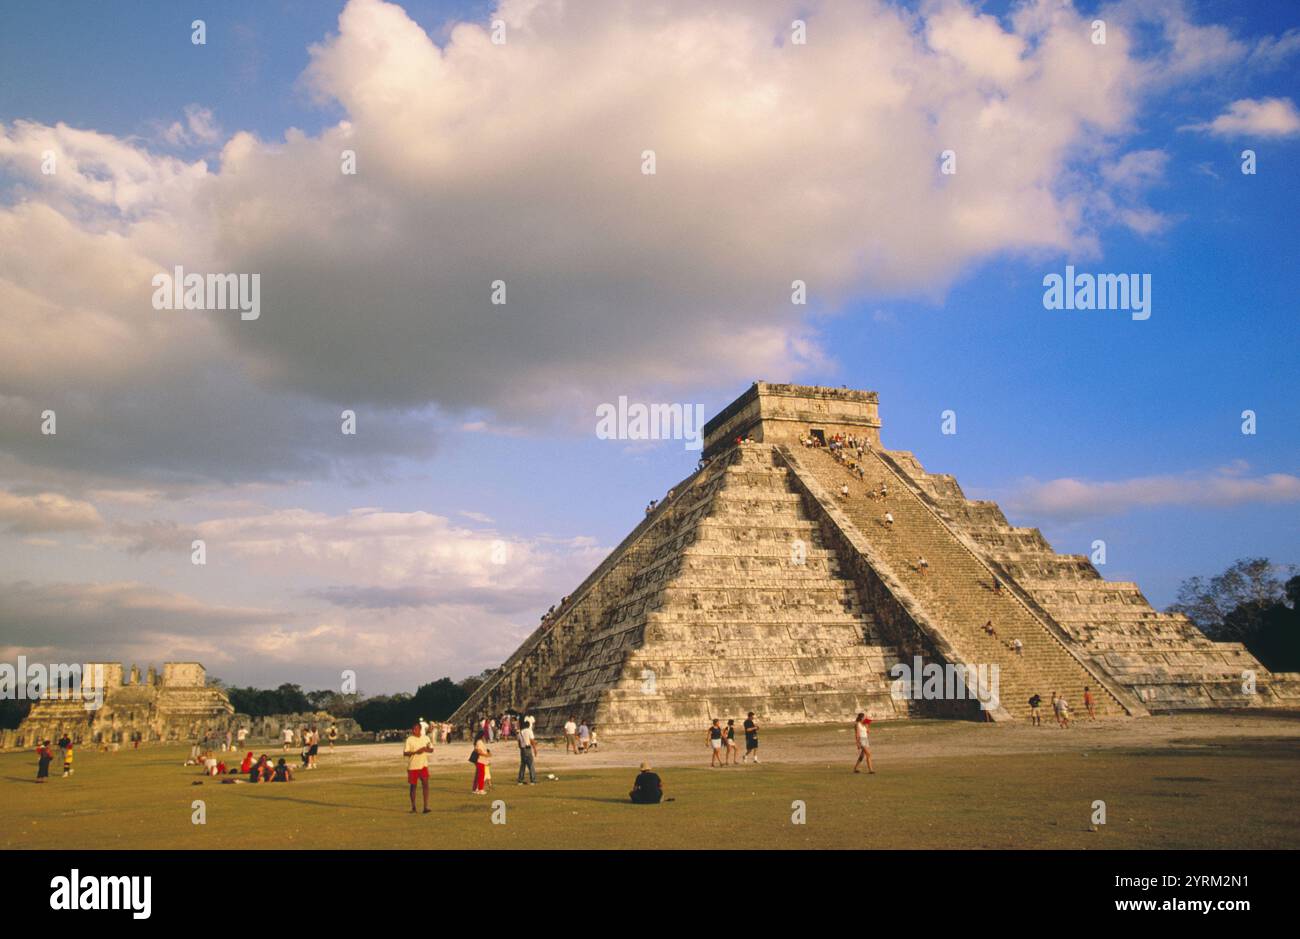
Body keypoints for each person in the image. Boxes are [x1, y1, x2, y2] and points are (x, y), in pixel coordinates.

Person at [404, 721, 432, 814]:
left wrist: (425, 749)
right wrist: (416, 752)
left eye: (416, 729)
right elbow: (405, 752)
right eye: (413, 729)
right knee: (413, 786)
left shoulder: (426, 738)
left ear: (420, 729)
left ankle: (426, 807)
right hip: (413, 766)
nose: (414, 731)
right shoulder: (409, 739)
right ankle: (413, 807)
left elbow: (431, 749)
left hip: (423, 765)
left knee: (425, 784)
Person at [517, 719, 537, 785]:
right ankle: (533, 780)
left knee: (522, 765)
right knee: (531, 765)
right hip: (528, 749)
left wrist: (522, 748)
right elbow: (532, 740)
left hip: (522, 749)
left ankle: (520, 780)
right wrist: (535, 749)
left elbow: (519, 743)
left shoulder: (520, 732)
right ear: (529, 726)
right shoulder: (529, 731)